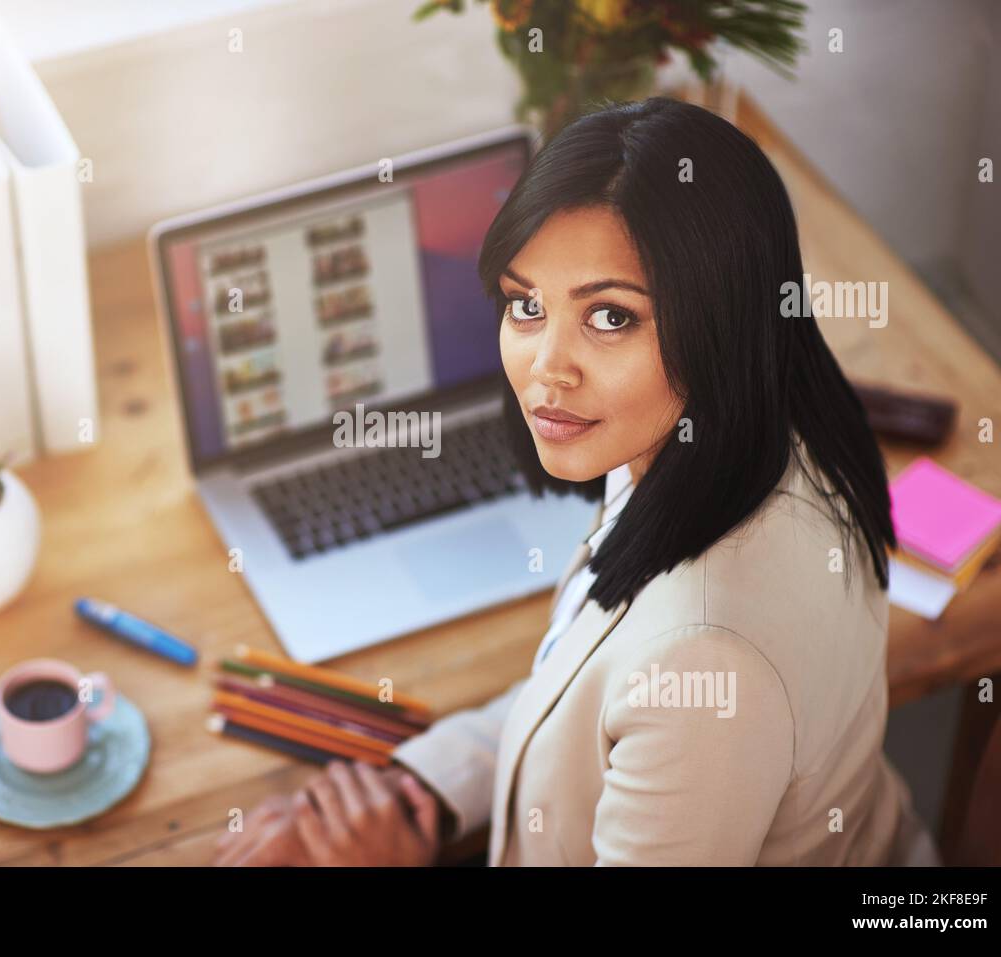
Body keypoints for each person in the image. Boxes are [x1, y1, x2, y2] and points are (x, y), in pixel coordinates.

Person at [213, 96, 940, 867]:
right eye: (528, 305)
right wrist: (413, 793)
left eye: (611, 318)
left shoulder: (704, 662)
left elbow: (655, 695)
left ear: (721, 320)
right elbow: (579, 699)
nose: (546, 369)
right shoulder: (761, 428)